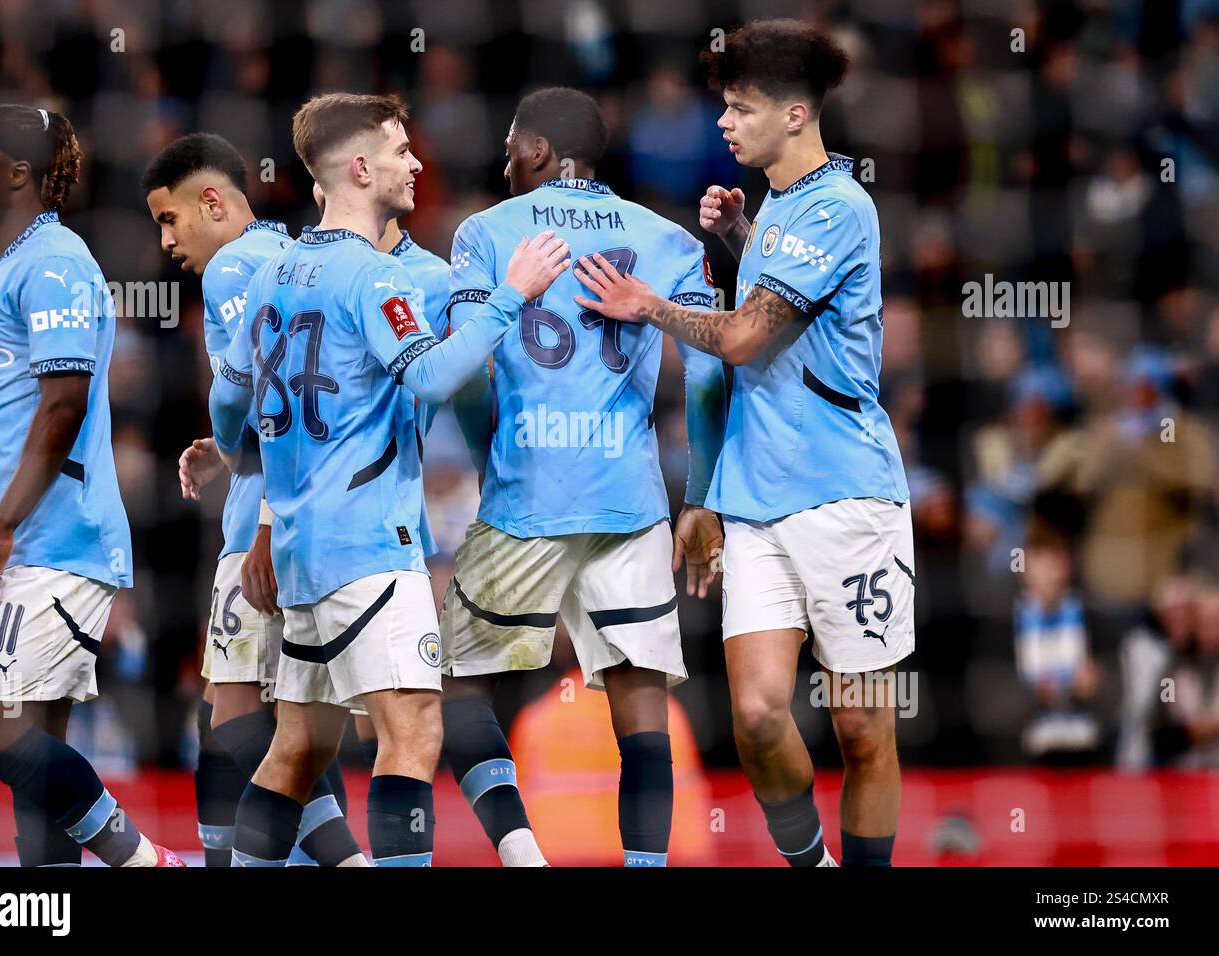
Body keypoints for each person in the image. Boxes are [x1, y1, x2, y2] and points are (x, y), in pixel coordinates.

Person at [575, 20, 912, 866]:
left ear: (796, 114)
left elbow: (742, 341)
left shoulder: (839, 204)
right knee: (759, 718)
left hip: (847, 499)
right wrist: (741, 239)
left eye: (742, 108)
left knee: (863, 731)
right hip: (756, 503)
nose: (724, 124)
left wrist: (648, 305)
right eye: (724, 107)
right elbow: (785, 316)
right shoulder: (785, 209)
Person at [208, 92, 569, 865]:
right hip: (371, 545)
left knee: (299, 749)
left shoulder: (272, 272)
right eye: (402, 150)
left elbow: (227, 396)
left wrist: (239, 454)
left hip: (301, 551)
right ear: (360, 167)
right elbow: (435, 378)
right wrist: (514, 295)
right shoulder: (373, 278)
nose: (416, 164)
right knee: (413, 733)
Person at [439, 86, 727, 867]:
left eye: (509, 149)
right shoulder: (664, 238)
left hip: (524, 494)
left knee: (463, 692)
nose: (503, 165)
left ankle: (522, 852)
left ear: (535, 150)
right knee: (642, 710)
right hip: (628, 499)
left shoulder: (484, 232)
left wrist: (484, 443)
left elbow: (463, 371)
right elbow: (708, 377)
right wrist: (700, 496)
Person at [0, 102, 182, 866]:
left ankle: (149, 862)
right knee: (36, 774)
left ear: (18, 175)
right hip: (30, 542)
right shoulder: (8, 268)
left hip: (54, 540)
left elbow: (65, 402)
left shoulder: (55, 262)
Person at [143, 133, 365, 866]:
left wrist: (266, 521)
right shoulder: (300, 255)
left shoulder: (237, 267)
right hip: (333, 523)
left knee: (236, 720)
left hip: (269, 531)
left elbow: (277, 404)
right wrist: (228, 451)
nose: (167, 241)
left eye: (170, 220)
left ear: (214, 202)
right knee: (276, 726)